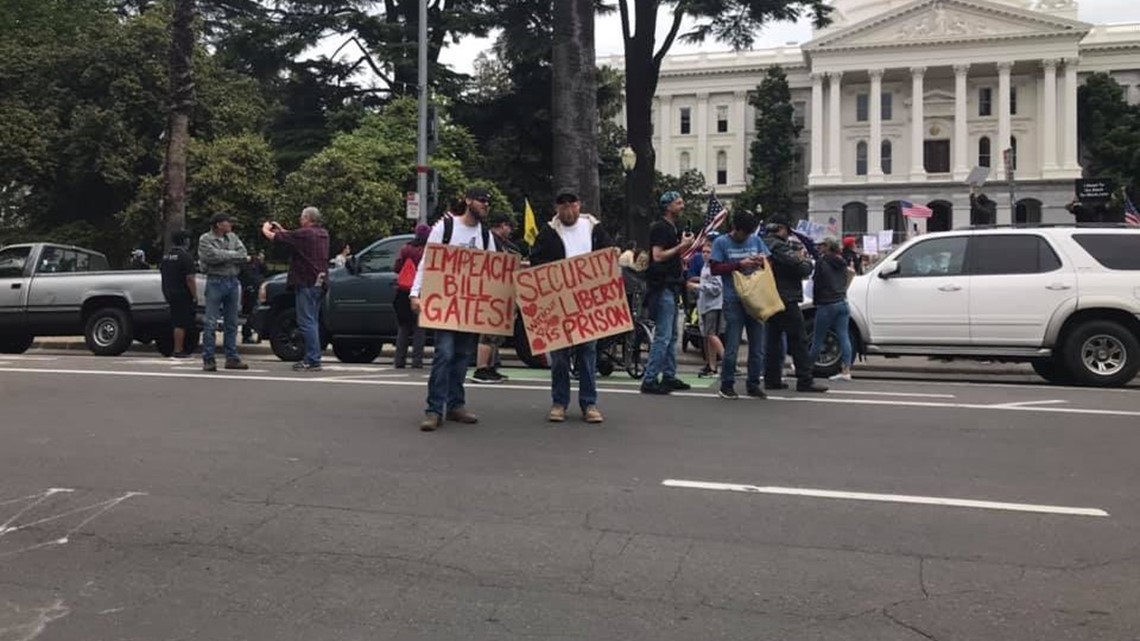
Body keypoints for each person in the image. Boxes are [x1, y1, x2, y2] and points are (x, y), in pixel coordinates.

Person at [410, 187, 498, 432]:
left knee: (461, 357)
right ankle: (434, 409)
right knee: (444, 354)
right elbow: (427, 261)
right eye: (481, 200)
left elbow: (493, 271)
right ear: (468, 201)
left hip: (468, 307)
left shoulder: (485, 234)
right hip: (444, 304)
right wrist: (415, 293)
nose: (485, 205)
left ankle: (456, 405)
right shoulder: (445, 227)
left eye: (488, 202)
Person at [529, 187, 613, 424]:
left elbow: (608, 256)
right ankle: (559, 403)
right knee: (559, 357)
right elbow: (536, 261)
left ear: (579, 205)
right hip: (559, 304)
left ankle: (589, 404)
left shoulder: (595, 229)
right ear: (557, 208)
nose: (568, 209)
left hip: (588, 304)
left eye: (572, 203)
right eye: (563, 205)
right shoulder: (548, 233)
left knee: (588, 354)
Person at [761, 214, 827, 393]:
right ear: (781, 229)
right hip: (786, 297)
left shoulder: (762, 243)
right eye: (787, 231)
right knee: (799, 339)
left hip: (770, 296)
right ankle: (805, 380)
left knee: (773, 340)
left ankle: (772, 378)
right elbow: (802, 267)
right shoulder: (779, 246)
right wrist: (804, 259)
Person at [261, 206, 331, 372]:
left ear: (307, 218)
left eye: (302, 217)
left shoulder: (304, 234)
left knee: (306, 322)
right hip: (321, 281)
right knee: (313, 320)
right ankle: (314, 356)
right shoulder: (323, 234)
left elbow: (275, 237)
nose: (301, 220)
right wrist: (283, 230)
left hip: (306, 280)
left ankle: (313, 359)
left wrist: (266, 228)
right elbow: (293, 237)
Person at [710, 210, 771, 399]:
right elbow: (715, 268)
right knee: (733, 345)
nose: (746, 237)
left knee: (758, 345)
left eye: (749, 233)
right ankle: (727, 384)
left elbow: (768, 262)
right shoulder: (721, 242)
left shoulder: (755, 240)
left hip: (755, 298)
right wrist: (738, 265)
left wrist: (760, 262)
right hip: (733, 298)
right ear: (735, 228)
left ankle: (753, 383)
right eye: (743, 233)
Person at [640, 191, 696, 395]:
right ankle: (651, 378)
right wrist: (681, 246)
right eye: (678, 203)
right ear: (668, 206)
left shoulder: (671, 228)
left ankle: (669, 375)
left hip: (672, 285)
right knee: (663, 335)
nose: (682, 206)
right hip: (662, 286)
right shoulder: (661, 228)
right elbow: (658, 256)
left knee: (672, 334)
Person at [473, 211, 524, 383]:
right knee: (489, 332)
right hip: (492, 292)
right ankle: (481, 368)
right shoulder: (488, 240)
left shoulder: (504, 243)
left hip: (503, 293)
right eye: (509, 227)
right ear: (503, 226)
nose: (510, 231)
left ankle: (490, 366)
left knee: (498, 332)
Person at [198, 213, 249, 371]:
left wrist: (226, 256)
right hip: (215, 281)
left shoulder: (233, 237)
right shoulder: (206, 239)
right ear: (219, 224)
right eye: (228, 222)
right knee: (211, 322)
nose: (231, 225)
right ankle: (209, 358)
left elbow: (243, 254)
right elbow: (211, 257)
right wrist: (232, 256)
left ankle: (232, 357)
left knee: (232, 322)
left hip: (232, 281)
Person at [811, 238, 856, 382]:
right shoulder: (842, 261)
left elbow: (816, 283)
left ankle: (807, 367)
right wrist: (843, 290)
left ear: (828, 247)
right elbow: (852, 273)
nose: (820, 247)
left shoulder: (822, 262)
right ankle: (846, 371)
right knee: (844, 336)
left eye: (822, 245)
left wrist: (816, 300)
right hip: (842, 301)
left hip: (826, 303)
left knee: (818, 338)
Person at [393, 224, 430, 369]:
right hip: (422, 290)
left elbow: (397, 268)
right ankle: (417, 360)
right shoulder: (428, 250)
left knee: (403, 327)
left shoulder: (406, 249)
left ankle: (399, 360)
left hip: (403, 291)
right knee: (419, 328)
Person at [688, 240, 724, 378]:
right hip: (703, 305)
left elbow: (717, 288)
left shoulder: (714, 268)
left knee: (711, 335)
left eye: (708, 252)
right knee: (708, 336)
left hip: (713, 305)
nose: (705, 254)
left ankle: (728, 364)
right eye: (703, 252)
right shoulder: (704, 267)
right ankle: (712, 365)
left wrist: (698, 287)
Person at [159, 231, 197, 358]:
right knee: (181, 323)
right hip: (182, 294)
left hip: (169, 292)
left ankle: (174, 347)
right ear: (185, 241)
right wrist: (195, 295)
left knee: (175, 321)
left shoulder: (166, 257)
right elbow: (190, 279)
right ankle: (178, 349)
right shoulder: (186, 257)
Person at [240, 251, 266, 344]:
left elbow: (264, 271)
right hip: (250, 289)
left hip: (256, 288)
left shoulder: (257, 263)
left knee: (252, 312)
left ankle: (252, 334)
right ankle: (247, 335)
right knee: (249, 312)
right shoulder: (247, 263)